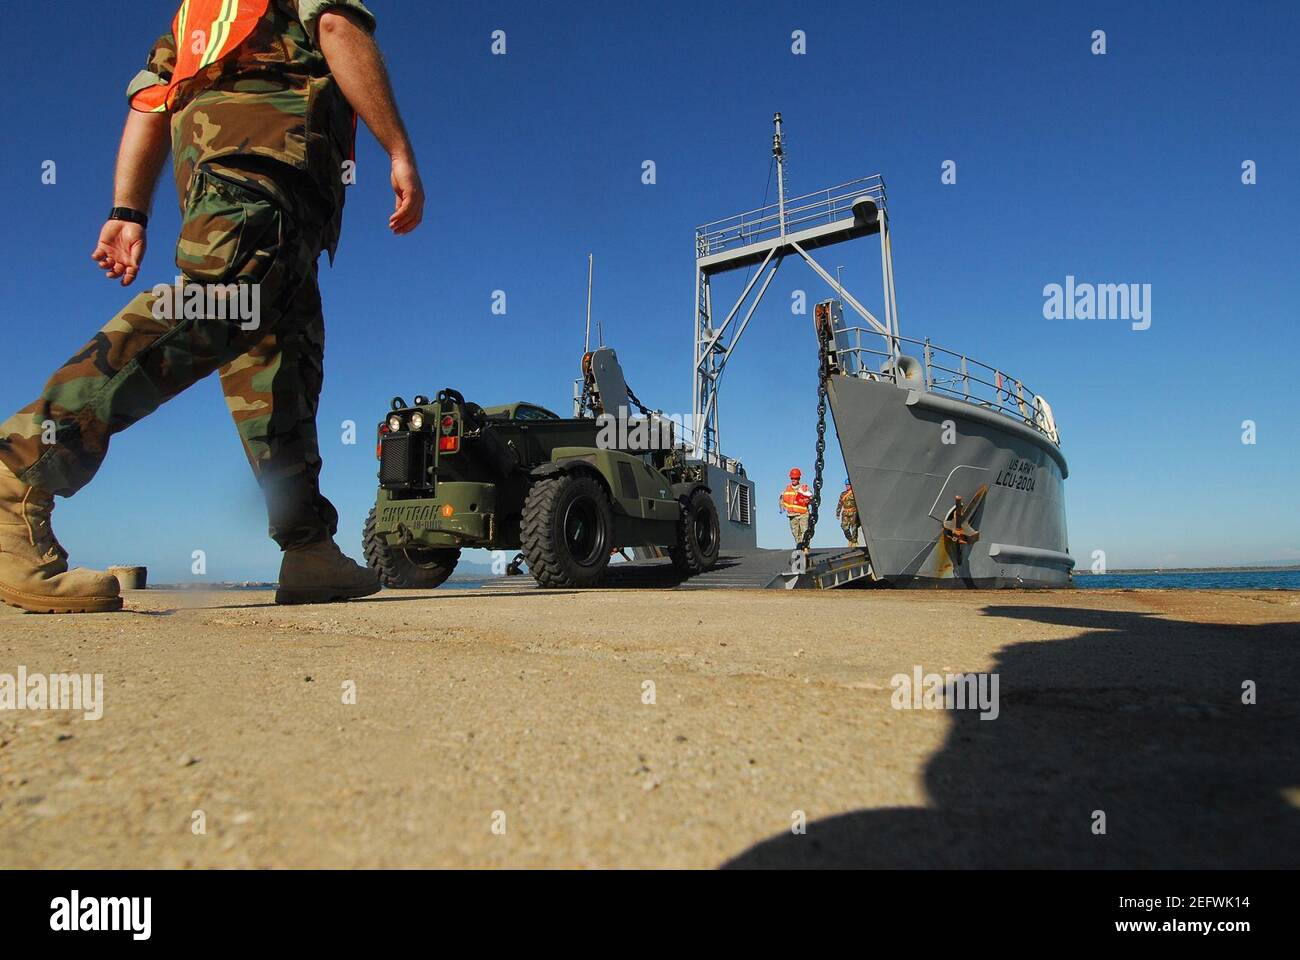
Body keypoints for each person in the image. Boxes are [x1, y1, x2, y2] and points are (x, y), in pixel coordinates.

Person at [0, 1, 424, 613]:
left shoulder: (195, 11)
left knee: (280, 362)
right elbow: (335, 26)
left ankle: (308, 547)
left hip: (246, 173)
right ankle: (21, 467)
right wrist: (399, 149)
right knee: (217, 300)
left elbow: (151, 99)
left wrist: (127, 211)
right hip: (266, 154)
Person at [778, 468, 812, 549]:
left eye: (795, 478)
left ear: (799, 479)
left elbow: (811, 498)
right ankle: (800, 547)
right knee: (795, 533)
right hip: (792, 515)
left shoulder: (804, 488)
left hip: (803, 514)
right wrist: (781, 506)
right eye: (792, 478)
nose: (793, 480)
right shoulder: (787, 489)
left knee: (805, 531)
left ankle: (806, 547)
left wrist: (809, 500)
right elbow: (782, 499)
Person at [836, 478, 860, 546]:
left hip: (853, 511)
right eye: (846, 485)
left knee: (854, 527)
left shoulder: (855, 493)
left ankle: (854, 542)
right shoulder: (843, 494)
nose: (847, 486)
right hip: (845, 512)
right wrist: (838, 513)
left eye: (848, 485)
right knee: (844, 526)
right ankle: (850, 539)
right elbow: (840, 504)